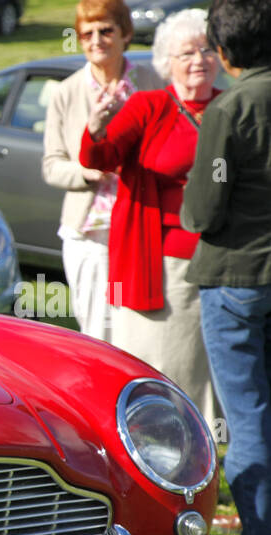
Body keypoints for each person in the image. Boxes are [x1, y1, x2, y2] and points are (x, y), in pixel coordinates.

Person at [79, 7, 221, 425]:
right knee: (158, 365)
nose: (199, 59)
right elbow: (101, 157)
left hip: (220, 261)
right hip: (157, 262)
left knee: (202, 369)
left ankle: (202, 449)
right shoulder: (149, 106)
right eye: (187, 52)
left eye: (207, 49)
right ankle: (157, 444)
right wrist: (96, 127)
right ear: (167, 63)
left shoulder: (230, 108)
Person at [180, 0, 271, 535]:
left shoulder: (230, 108)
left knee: (248, 419)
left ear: (223, 51)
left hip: (237, 277)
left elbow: (204, 208)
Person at [42, 0, 161, 342]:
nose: (96, 40)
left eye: (106, 30)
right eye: (87, 33)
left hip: (144, 227)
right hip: (91, 233)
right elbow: (52, 166)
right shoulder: (66, 93)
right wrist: (87, 172)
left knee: (142, 333)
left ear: (126, 34)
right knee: (99, 332)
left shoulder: (154, 83)